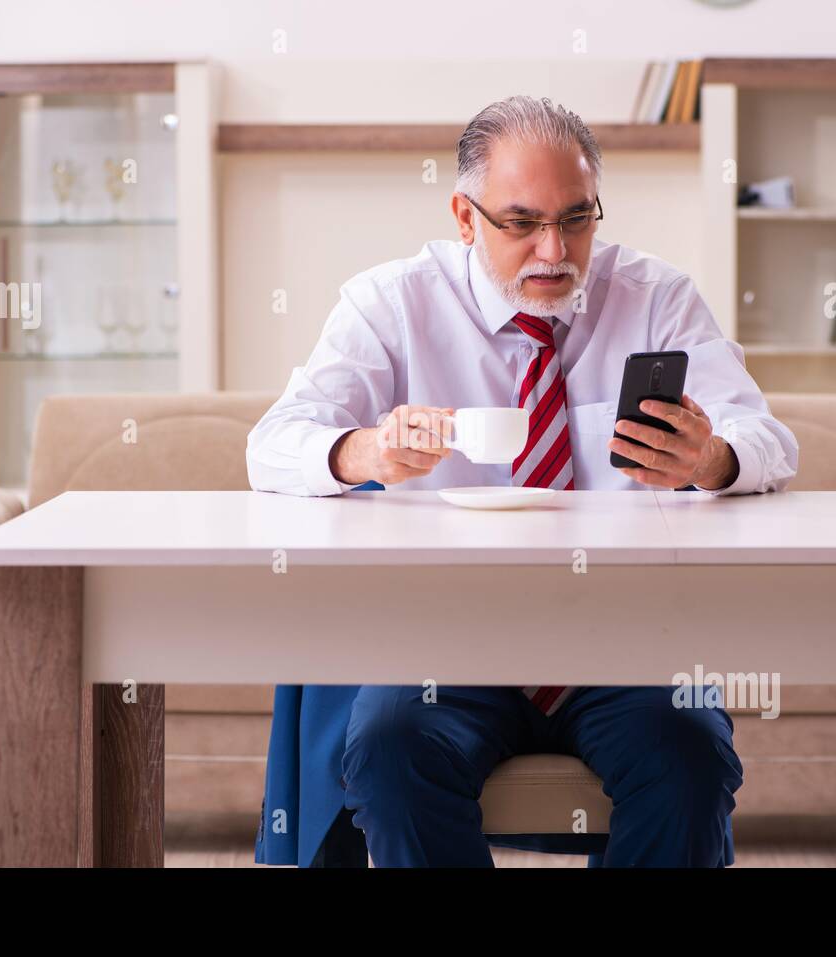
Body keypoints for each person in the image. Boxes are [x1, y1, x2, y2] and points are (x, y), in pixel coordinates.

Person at [246, 94, 798, 867]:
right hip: (451, 639)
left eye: (577, 218)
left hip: (623, 643)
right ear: (464, 217)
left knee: (691, 754)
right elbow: (272, 443)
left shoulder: (656, 298)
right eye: (522, 222)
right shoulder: (390, 303)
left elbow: (768, 437)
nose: (555, 250)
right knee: (387, 745)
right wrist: (363, 451)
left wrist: (712, 460)